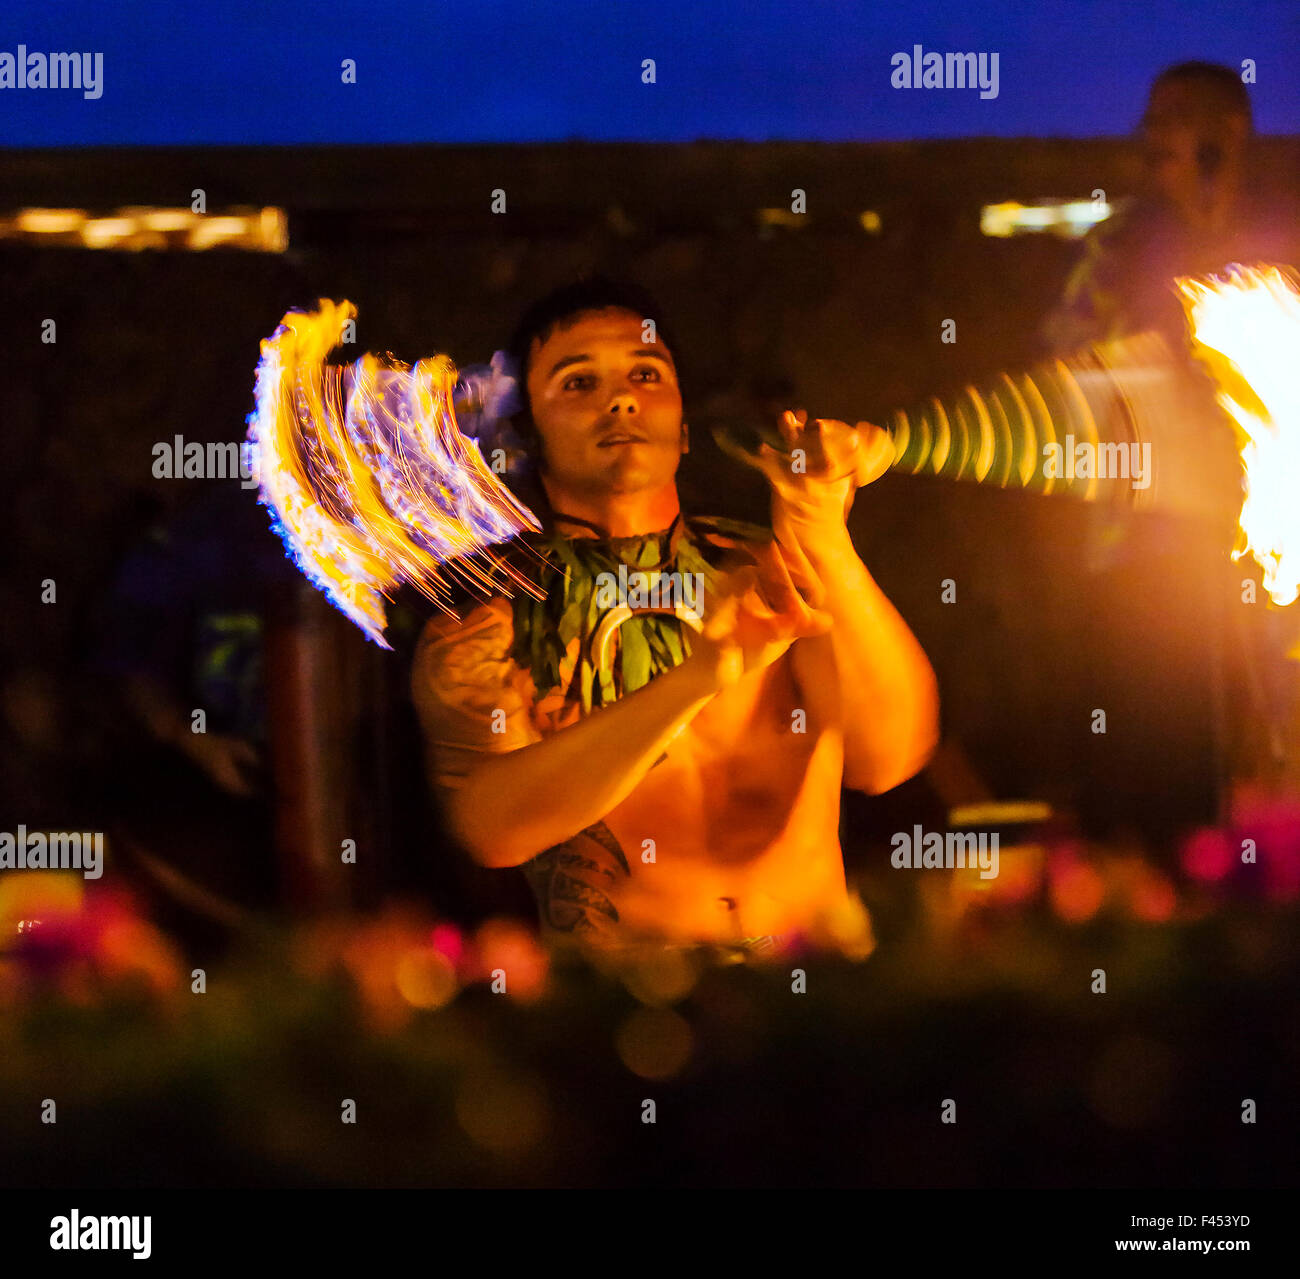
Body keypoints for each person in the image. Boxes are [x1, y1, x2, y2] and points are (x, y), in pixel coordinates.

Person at [411, 276, 938, 955]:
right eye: (578, 383)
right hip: (636, 1020)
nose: (622, 397)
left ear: (684, 427)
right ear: (529, 438)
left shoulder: (773, 570)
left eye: (645, 373)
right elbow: (492, 828)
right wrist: (697, 678)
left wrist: (820, 526)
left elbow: (890, 754)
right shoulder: (493, 626)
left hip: (820, 999)